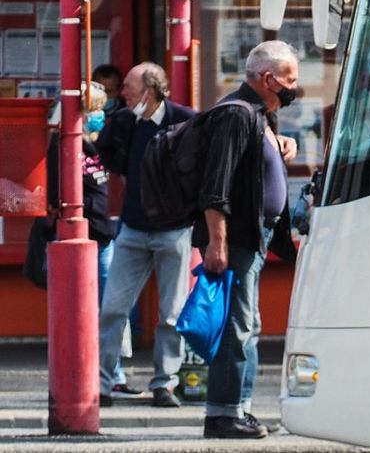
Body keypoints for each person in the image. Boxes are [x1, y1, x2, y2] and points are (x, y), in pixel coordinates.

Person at [198, 40, 300, 440]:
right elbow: (215, 186)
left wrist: (281, 144)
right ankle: (223, 415)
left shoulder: (261, 115)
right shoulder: (237, 116)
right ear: (268, 78)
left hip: (254, 240)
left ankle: (240, 409)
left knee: (248, 326)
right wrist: (217, 242)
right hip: (236, 241)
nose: (295, 87)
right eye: (290, 80)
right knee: (236, 328)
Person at [95, 62, 196, 408]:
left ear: (149, 92)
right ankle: (103, 384)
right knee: (112, 309)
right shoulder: (124, 121)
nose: (122, 93)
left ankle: (164, 384)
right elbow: (103, 153)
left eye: (129, 87)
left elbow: (203, 166)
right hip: (133, 228)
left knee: (171, 314)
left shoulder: (184, 119)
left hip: (174, 230)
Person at [45, 84, 131, 392]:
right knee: (88, 309)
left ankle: (113, 374)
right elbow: (56, 194)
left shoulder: (98, 143)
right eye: (94, 109)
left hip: (106, 235)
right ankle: (90, 374)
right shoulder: (63, 145)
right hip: (84, 236)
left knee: (112, 308)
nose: (99, 115)